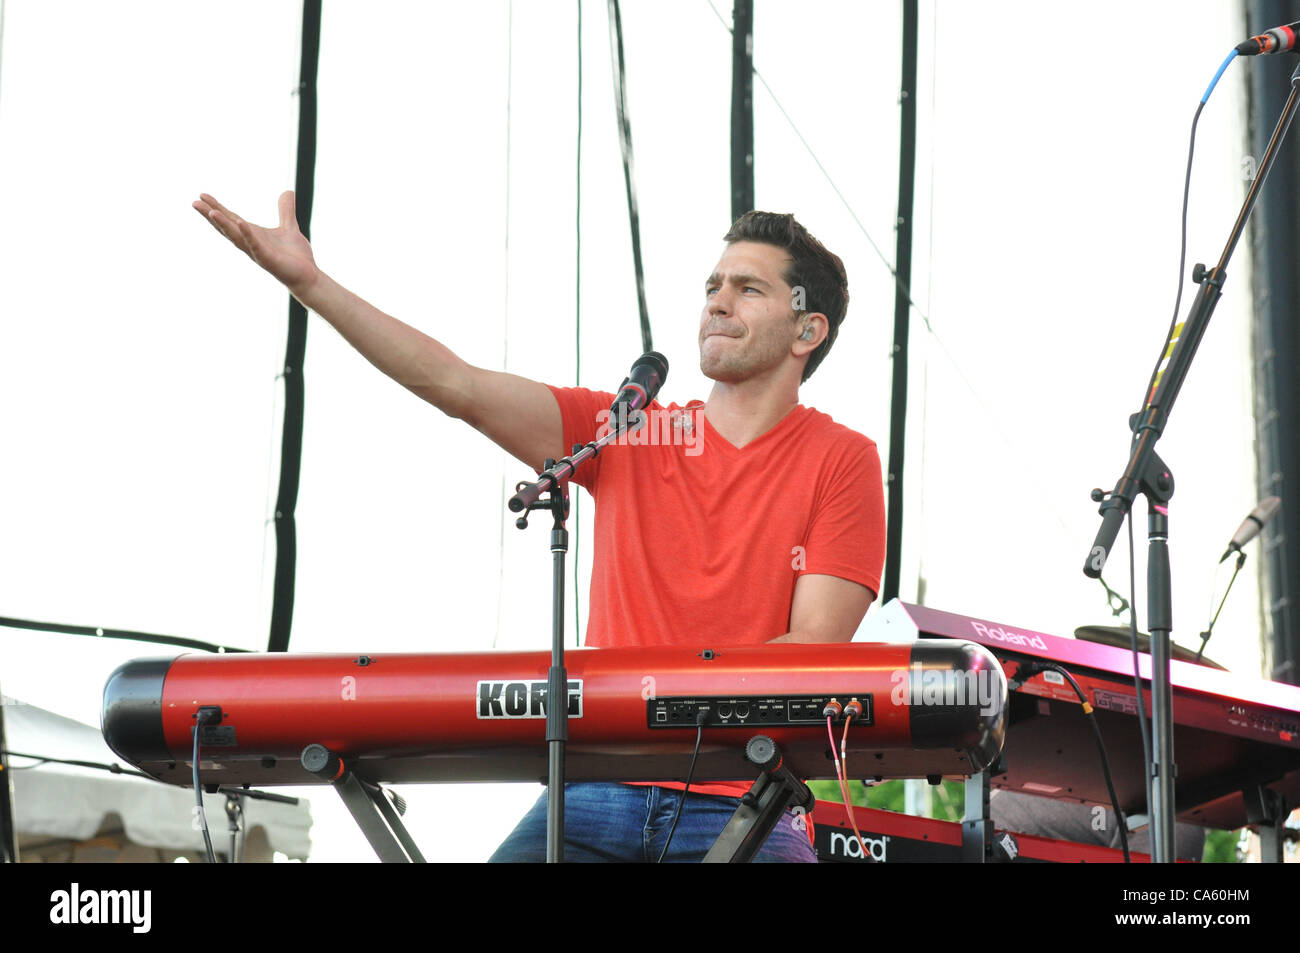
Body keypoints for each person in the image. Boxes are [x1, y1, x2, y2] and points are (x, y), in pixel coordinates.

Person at [193, 192, 887, 861]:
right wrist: (311, 284)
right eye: (713, 284)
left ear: (807, 329)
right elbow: (455, 384)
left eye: (748, 288)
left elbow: (813, 653)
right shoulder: (628, 429)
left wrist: (671, 705)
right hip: (594, 786)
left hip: (745, 795)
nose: (717, 300)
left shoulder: (842, 460)